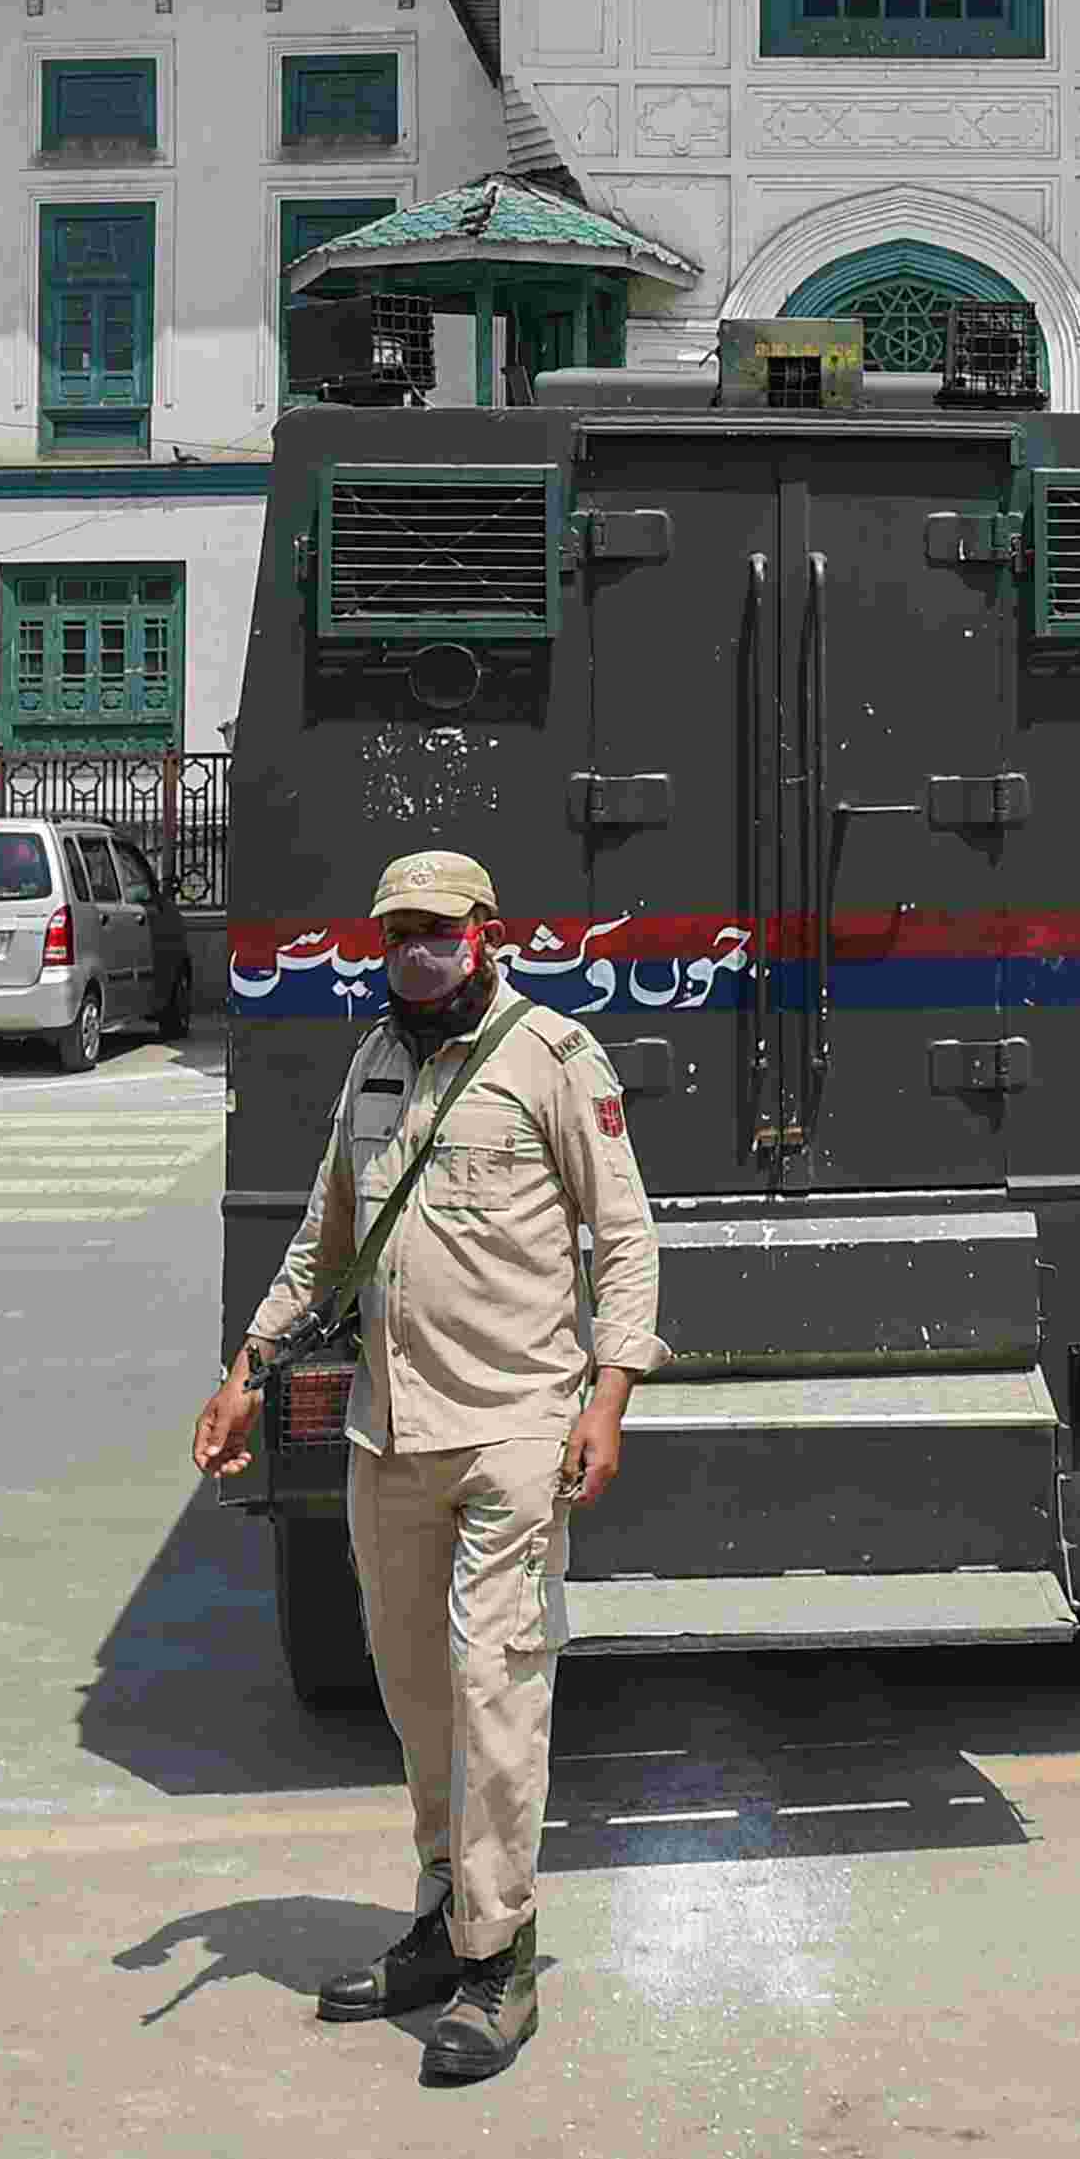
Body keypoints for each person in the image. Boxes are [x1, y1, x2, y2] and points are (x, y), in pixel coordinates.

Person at [195, 846, 661, 2085]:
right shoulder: (375, 1059)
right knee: (416, 1693)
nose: (415, 949)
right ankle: (447, 1913)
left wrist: (606, 1400)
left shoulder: (554, 1058)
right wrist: (249, 1368)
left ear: (488, 934)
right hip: (386, 1429)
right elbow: (324, 1235)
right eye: (398, 928)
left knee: (495, 1685)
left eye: (437, 929)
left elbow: (623, 1239)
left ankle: (501, 1959)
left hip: (514, 1425)